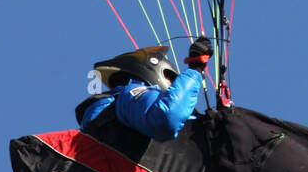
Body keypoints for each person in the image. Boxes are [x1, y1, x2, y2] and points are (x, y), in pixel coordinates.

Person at [79, 37, 214, 142]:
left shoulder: (120, 107)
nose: (173, 87)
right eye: (173, 81)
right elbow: (167, 117)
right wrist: (195, 70)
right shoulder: (130, 93)